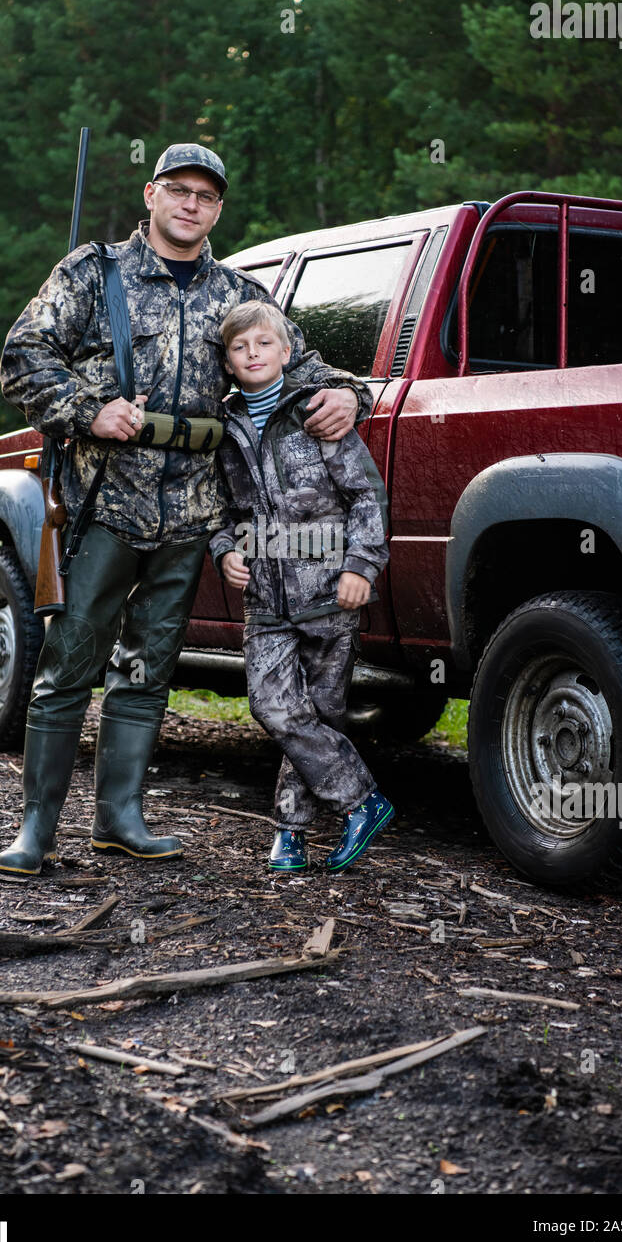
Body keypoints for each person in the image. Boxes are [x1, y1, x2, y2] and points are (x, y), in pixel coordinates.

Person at [0, 143, 372, 876]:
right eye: (179, 190)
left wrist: (349, 392)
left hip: (194, 509)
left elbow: (306, 362)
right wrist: (87, 408)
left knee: (149, 667)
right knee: (70, 664)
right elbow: (22, 356)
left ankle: (119, 818)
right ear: (151, 195)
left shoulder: (238, 293)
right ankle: (37, 828)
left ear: (218, 208)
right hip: (105, 501)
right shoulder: (92, 273)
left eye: (206, 194)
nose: (191, 204)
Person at [210, 299, 394, 874]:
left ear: (288, 351)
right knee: (275, 707)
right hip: (264, 598)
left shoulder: (317, 414)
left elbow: (367, 495)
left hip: (327, 593)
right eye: (240, 349)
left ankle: (290, 831)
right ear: (229, 364)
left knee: (321, 712)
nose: (253, 354)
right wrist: (225, 551)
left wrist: (361, 567)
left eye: (264, 344)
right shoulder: (226, 429)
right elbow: (218, 509)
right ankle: (363, 802)